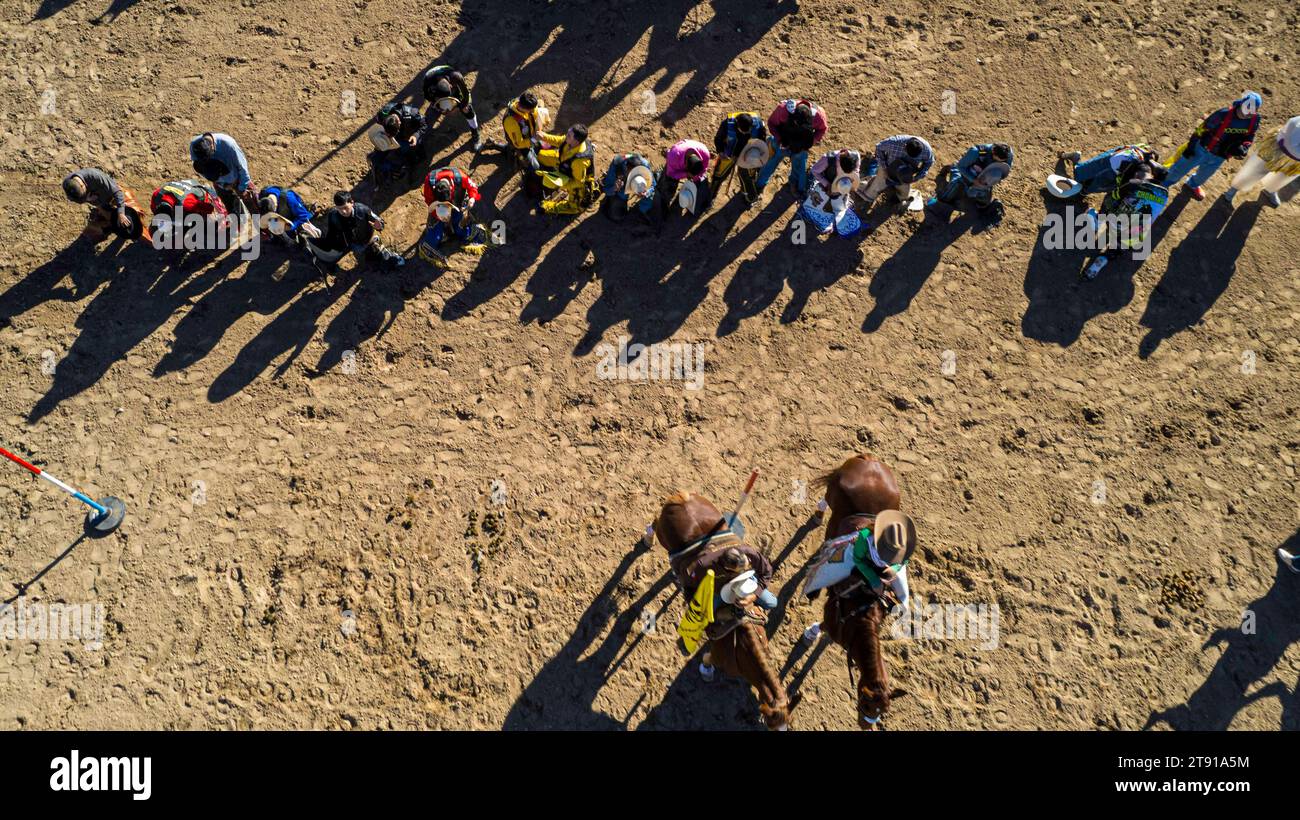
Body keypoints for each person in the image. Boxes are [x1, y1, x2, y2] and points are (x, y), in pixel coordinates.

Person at [1164, 91, 1262, 200]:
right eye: (1247, 107)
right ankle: (1163, 185)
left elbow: (1250, 135)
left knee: (1203, 176)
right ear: (1241, 104)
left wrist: (1245, 147)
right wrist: (1191, 146)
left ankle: (1193, 184)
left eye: (1252, 110)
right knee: (1178, 170)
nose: (1248, 113)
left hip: (1220, 156)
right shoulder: (1223, 114)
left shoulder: (1254, 120)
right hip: (1201, 150)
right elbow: (1202, 128)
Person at [1082, 160, 1169, 280]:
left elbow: (1115, 195)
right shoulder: (1164, 194)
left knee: (1110, 199)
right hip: (1136, 235)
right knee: (1122, 243)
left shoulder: (1135, 182)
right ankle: (1106, 257)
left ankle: (1098, 220)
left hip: (1117, 224)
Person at [302, 191, 404, 275]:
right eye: (340, 209)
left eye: (345, 208)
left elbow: (379, 221)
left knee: (374, 255)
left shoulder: (363, 210)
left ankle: (377, 248)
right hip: (346, 243)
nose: (344, 212)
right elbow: (332, 233)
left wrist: (379, 226)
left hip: (365, 241)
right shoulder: (333, 216)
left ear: (352, 202)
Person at [1222, 114, 1300, 208]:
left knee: (1283, 176)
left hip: (1296, 160)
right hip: (1278, 148)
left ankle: (1270, 190)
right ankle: (1235, 188)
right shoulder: (1297, 123)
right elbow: (1291, 144)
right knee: (1256, 170)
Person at [928, 142, 1014, 223]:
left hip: (984, 181)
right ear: (993, 152)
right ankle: (951, 168)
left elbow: (1004, 171)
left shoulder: (1008, 156)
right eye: (997, 160)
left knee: (984, 203)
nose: (998, 163)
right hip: (968, 175)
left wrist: (989, 181)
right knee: (949, 193)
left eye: (1001, 162)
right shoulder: (976, 152)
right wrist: (973, 180)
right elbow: (961, 167)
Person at [757, 98, 827, 196]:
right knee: (771, 161)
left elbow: (822, 129)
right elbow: (771, 123)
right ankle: (760, 182)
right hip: (783, 141)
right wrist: (779, 139)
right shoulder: (782, 110)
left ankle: (794, 184)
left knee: (799, 167)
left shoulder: (818, 116)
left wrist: (810, 142)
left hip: (801, 146)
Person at [421, 64, 497, 152]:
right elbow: (431, 100)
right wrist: (440, 109)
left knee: (468, 110)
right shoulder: (427, 86)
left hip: (449, 83)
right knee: (434, 112)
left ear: (450, 85)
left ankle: (475, 135)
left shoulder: (456, 77)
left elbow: (465, 95)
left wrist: (462, 106)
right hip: (434, 88)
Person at [61, 168, 150, 242]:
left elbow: (118, 193)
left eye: (84, 193)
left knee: (134, 213)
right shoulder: (68, 185)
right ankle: (112, 226)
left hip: (112, 195)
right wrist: (87, 198)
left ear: (82, 184)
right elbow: (77, 200)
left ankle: (141, 234)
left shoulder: (95, 176)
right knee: (98, 228)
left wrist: (121, 213)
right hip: (100, 203)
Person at [418, 166, 485, 261]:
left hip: (458, 204)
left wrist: (472, 198)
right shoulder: (429, 182)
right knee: (434, 237)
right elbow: (429, 201)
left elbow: (472, 186)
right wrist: (439, 214)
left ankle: (469, 228)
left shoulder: (460, 177)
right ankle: (443, 229)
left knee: (461, 229)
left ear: (450, 187)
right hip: (438, 208)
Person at [534, 124, 597, 215]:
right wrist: (544, 136)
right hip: (564, 161)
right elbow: (559, 140)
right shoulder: (570, 141)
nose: (566, 135)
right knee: (540, 156)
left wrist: (562, 185)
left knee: (576, 207)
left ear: (576, 141)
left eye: (569, 135)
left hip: (575, 179)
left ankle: (548, 207)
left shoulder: (579, 162)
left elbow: (579, 182)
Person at [149, 178, 229, 250]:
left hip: (201, 195)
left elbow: (209, 209)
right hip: (184, 190)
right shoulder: (156, 196)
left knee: (208, 225)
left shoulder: (187, 203)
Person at [861, 135, 934, 212]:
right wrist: (884, 167)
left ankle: (897, 197)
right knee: (874, 189)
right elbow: (879, 147)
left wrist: (918, 176)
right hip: (888, 168)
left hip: (906, 174)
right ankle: (869, 199)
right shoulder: (894, 142)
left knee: (904, 195)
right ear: (905, 146)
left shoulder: (926, 150)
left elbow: (929, 162)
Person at [188, 132, 255, 216]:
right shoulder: (194, 148)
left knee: (254, 207)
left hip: (238, 179)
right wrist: (221, 184)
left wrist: (242, 187)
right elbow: (199, 168)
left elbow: (242, 167)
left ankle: (261, 225)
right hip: (219, 183)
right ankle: (239, 223)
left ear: (212, 147)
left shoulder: (228, 145)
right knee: (231, 209)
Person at [1059, 143, 1160, 196]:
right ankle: (1076, 162)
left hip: (1115, 154)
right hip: (1112, 167)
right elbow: (1123, 183)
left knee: (1086, 172)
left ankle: (1085, 181)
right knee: (1082, 180)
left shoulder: (1143, 149)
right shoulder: (1138, 167)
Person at [711, 111, 767, 204]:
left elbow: (762, 141)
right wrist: (720, 152)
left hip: (748, 156)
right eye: (743, 132)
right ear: (737, 126)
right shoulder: (726, 124)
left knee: (747, 177)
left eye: (748, 131)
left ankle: (749, 197)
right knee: (718, 175)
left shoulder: (758, 125)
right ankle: (711, 194)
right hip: (728, 154)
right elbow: (718, 139)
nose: (745, 133)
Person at [501, 91, 548, 198]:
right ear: (524, 108)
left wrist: (542, 117)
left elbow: (538, 108)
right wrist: (533, 140)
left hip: (532, 137)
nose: (533, 111)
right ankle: (532, 186)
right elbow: (518, 143)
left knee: (549, 145)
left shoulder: (525, 106)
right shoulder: (511, 121)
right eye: (531, 109)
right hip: (521, 145)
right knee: (534, 167)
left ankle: (497, 146)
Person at [370, 102, 428, 180]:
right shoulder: (383, 114)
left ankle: (409, 161)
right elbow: (377, 124)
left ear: (400, 123)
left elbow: (424, 124)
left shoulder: (412, 114)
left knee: (413, 150)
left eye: (391, 135)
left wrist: (415, 136)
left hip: (406, 138)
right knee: (376, 159)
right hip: (388, 140)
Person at [600, 152, 659, 224]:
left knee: (649, 196)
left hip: (641, 186)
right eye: (631, 174)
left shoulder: (644, 166)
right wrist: (614, 188)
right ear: (626, 167)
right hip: (622, 189)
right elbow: (606, 189)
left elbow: (652, 185)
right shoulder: (617, 164)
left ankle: (644, 210)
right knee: (617, 215)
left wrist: (647, 192)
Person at [659, 138, 712, 218]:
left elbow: (703, 170)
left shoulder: (705, 155)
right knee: (667, 186)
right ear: (685, 165)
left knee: (701, 184)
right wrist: (685, 174)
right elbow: (671, 174)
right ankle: (663, 205)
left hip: (689, 155)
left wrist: (695, 178)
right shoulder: (673, 157)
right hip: (676, 158)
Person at [256, 185, 321, 244]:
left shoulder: (289, 198)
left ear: (276, 205)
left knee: (307, 233)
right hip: (283, 214)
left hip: (294, 213)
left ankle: (312, 211)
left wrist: (291, 227)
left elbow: (303, 216)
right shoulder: (263, 194)